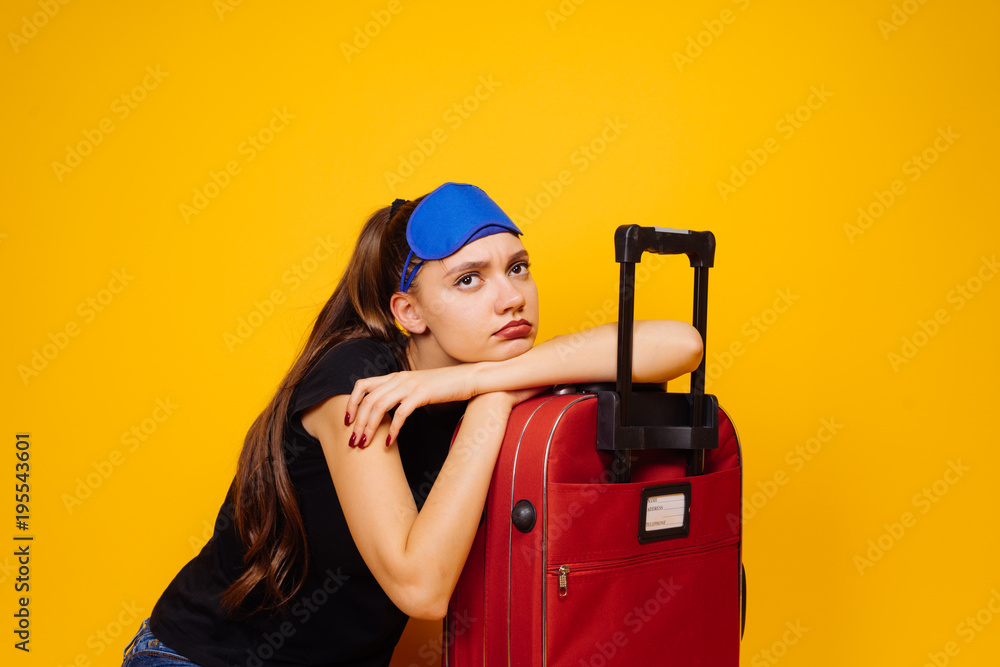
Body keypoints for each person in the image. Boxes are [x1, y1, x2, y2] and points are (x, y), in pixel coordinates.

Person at [121, 182, 703, 667]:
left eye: (518, 268)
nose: (511, 299)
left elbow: (681, 342)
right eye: (468, 279)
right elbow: (420, 587)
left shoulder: (487, 368)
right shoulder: (359, 381)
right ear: (410, 312)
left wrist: (475, 383)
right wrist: (493, 399)